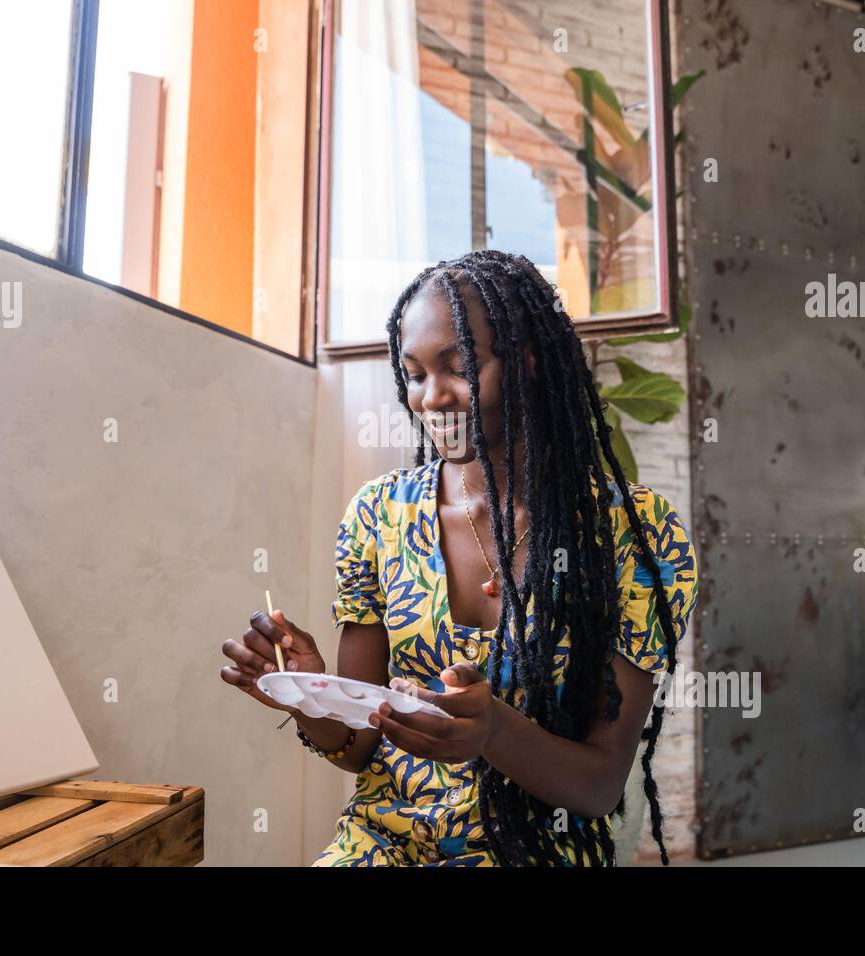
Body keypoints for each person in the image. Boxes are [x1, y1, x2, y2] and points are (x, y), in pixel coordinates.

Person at [221, 249, 698, 866]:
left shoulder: (638, 533)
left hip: (537, 850)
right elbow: (360, 748)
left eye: (460, 366)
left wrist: (494, 731)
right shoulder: (378, 515)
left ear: (527, 360)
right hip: (381, 845)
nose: (431, 398)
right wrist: (311, 694)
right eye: (414, 374)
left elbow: (598, 786)